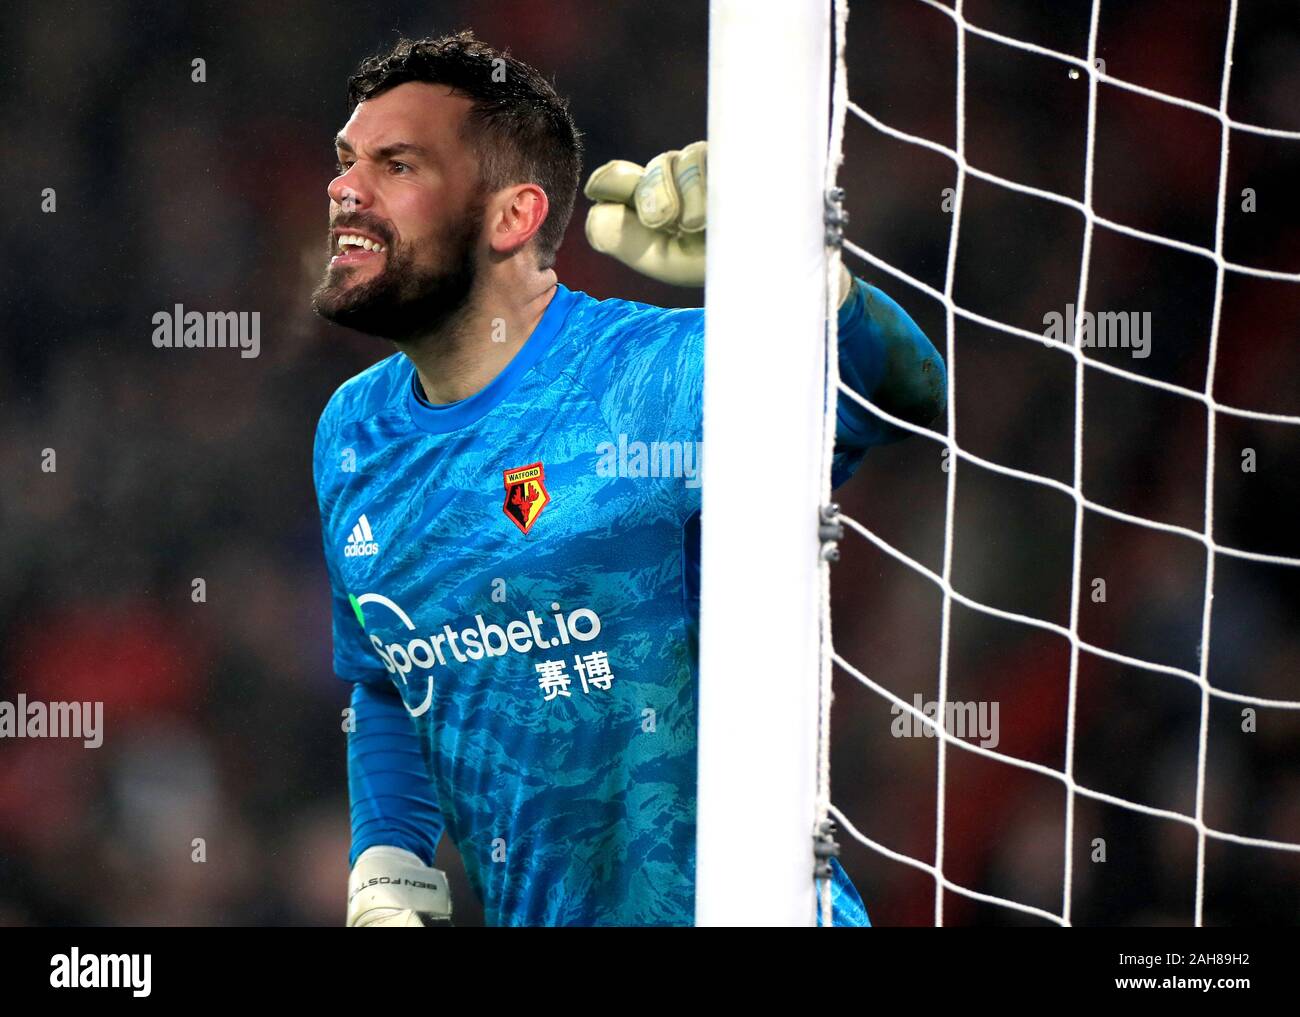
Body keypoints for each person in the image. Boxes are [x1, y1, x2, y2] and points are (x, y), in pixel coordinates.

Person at [311, 30, 945, 927]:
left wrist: (812, 274)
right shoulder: (352, 435)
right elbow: (387, 674)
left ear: (512, 217)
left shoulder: (649, 377)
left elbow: (908, 390)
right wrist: (386, 865)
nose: (345, 186)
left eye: (396, 163)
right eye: (345, 160)